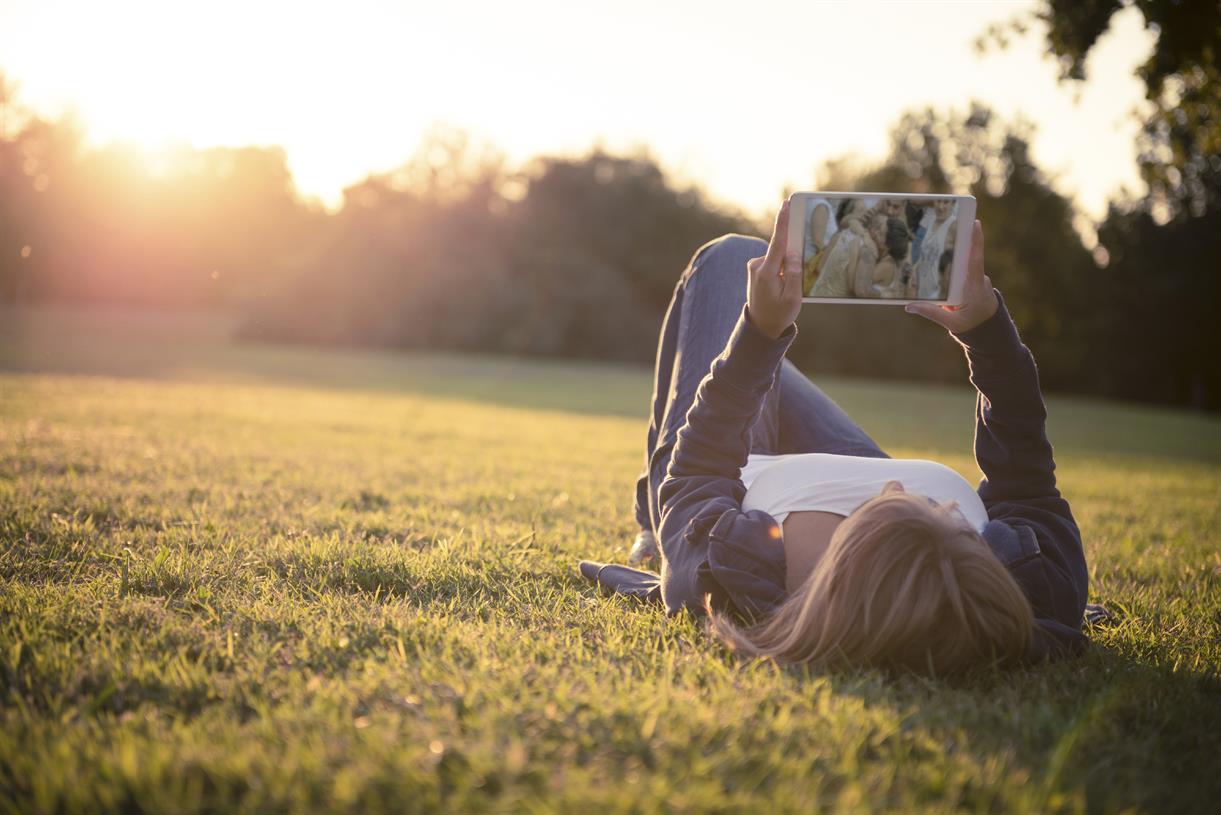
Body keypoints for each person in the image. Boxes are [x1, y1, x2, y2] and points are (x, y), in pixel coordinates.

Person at [586, 199, 1089, 674]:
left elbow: (697, 469)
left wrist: (759, 335)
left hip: (736, 468)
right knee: (759, 361)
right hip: (829, 466)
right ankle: (760, 362)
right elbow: (1027, 477)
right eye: (944, 513)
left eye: (877, 515)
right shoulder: (1032, 584)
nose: (896, 490)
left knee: (731, 258)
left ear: (845, 563)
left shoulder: (735, 570)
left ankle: (648, 520)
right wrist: (987, 334)